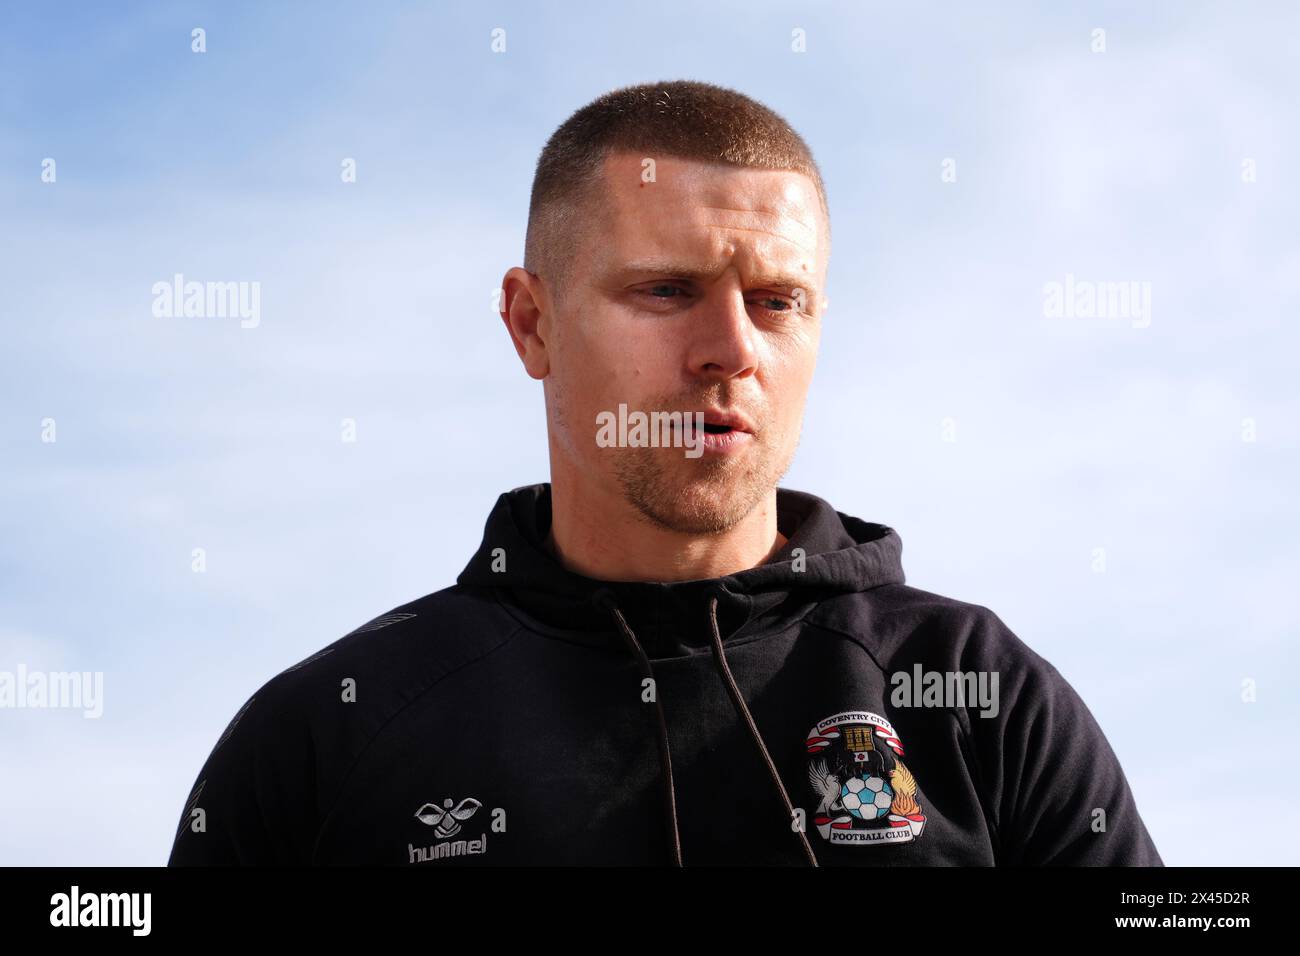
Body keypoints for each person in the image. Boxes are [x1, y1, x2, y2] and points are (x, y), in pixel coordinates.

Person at [168, 79, 1162, 866]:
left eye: (778, 300)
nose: (728, 347)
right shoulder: (331, 732)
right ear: (532, 322)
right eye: (666, 290)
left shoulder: (976, 692)